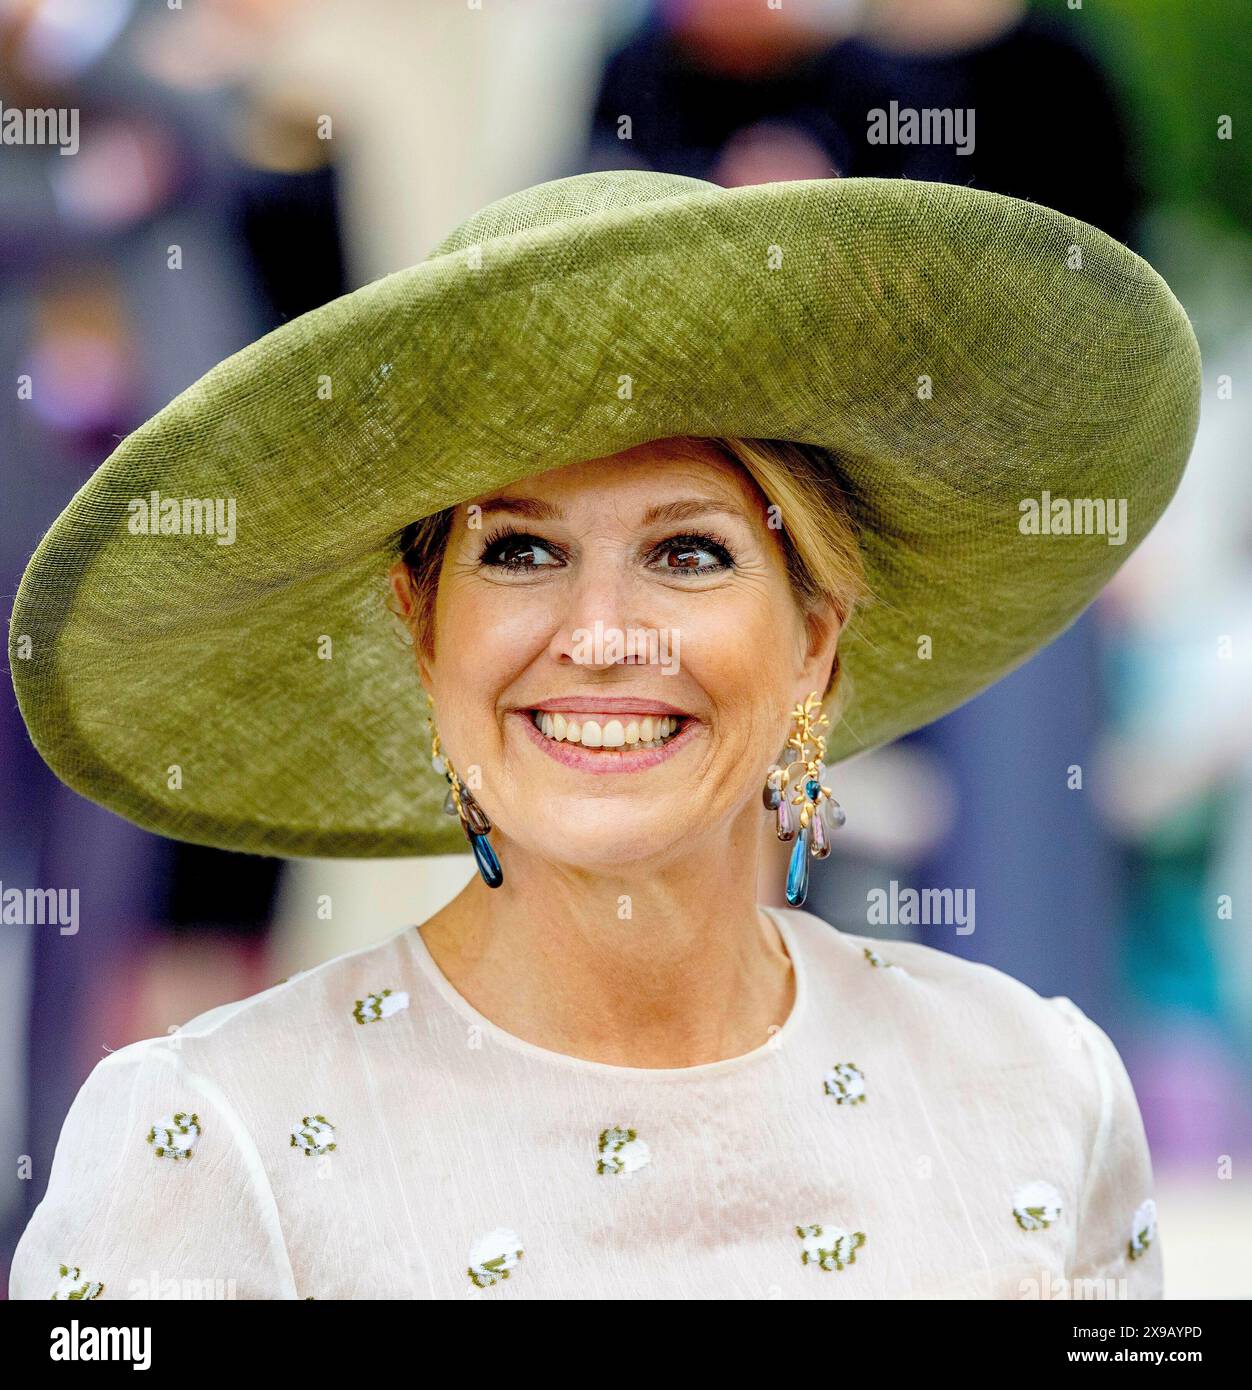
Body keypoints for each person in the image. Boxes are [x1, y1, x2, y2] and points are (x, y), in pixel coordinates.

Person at [7, 168, 1199, 1298]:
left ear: (816, 643)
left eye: (689, 552)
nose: (602, 634)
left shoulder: (1042, 1090)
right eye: (520, 551)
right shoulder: (204, 1143)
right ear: (427, 634)